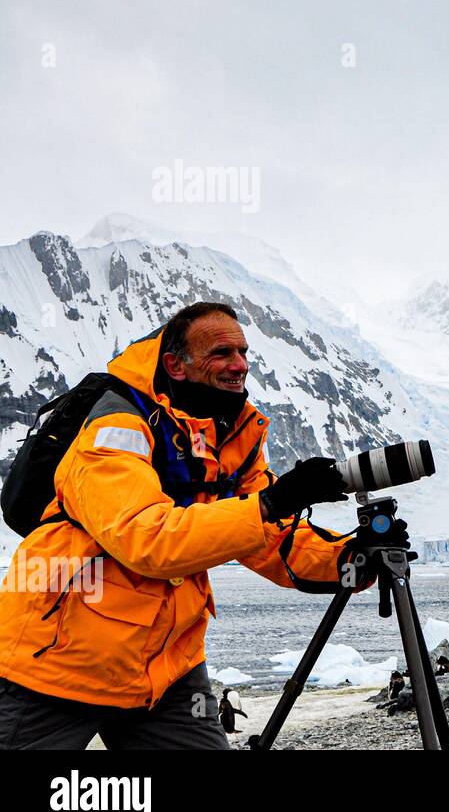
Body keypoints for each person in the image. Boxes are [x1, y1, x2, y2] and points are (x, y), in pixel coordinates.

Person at [0, 302, 387, 749]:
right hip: (59, 660)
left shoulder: (232, 433)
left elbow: (266, 535)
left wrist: (350, 559)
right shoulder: (116, 424)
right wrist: (274, 500)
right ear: (175, 365)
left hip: (166, 667)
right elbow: (149, 539)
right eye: (221, 353)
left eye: (242, 352)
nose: (239, 365)